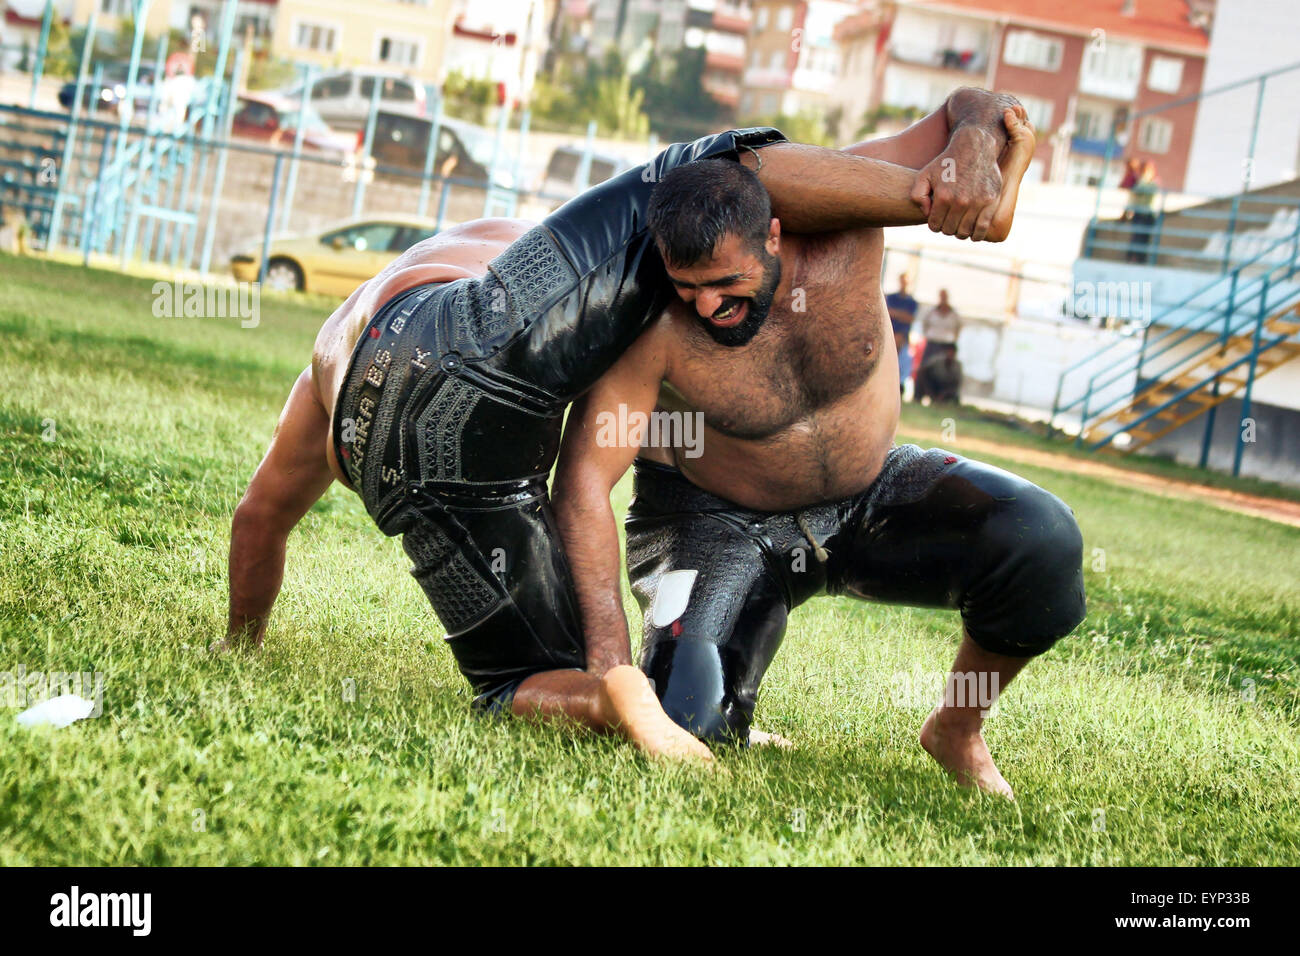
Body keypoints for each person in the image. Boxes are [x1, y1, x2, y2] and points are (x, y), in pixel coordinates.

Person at [221, 92, 1021, 764]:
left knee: (513, 681)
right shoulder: (548, 244)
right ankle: (612, 685)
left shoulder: (325, 359)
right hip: (466, 337)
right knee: (702, 176)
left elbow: (260, 519)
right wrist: (966, 175)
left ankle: (608, 699)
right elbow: (748, 182)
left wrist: (241, 644)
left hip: (380, 439)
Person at [553, 106, 1084, 798]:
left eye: (726, 285)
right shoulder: (656, 323)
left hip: (869, 497)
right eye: (690, 289)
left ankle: (956, 729)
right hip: (712, 520)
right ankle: (722, 704)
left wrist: (981, 143)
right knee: (687, 723)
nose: (707, 308)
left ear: (773, 234)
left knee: (1041, 541)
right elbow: (586, 482)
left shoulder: (852, 207)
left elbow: (971, 109)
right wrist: (610, 666)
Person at [914, 288, 962, 403]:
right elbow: (925, 325)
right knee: (924, 370)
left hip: (945, 344)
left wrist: (952, 340)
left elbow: (958, 328)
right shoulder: (932, 312)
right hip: (932, 343)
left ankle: (940, 398)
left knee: (942, 374)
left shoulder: (953, 314)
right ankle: (918, 396)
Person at [885, 275, 919, 395]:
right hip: (889, 334)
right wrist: (901, 315)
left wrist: (896, 314)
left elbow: (910, 318)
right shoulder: (891, 298)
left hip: (902, 335)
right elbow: (888, 313)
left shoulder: (912, 302)